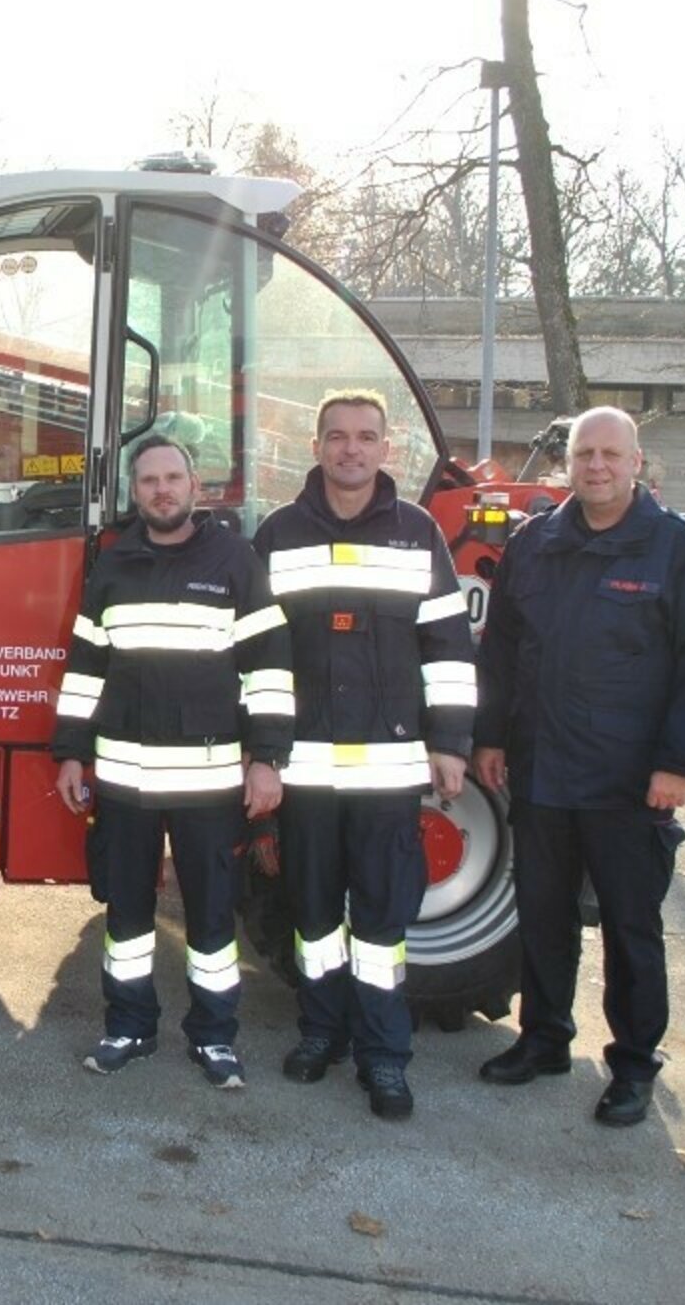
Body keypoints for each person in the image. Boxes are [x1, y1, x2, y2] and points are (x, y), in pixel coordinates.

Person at [472, 406, 685, 1127]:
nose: (597, 467)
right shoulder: (536, 542)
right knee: (543, 915)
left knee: (629, 925)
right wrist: (491, 736)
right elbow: (501, 649)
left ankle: (634, 1066)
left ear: (636, 462)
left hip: (629, 778)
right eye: (585, 453)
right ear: (569, 462)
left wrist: (678, 764)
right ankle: (544, 1040)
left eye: (611, 455)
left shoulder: (678, 549)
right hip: (543, 767)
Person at [251, 390, 478, 1121]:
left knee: (381, 925)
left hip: (388, 772)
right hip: (307, 773)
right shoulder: (280, 534)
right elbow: (257, 654)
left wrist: (449, 742)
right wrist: (263, 754)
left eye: (366, 437)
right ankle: (322, 1034)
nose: (351, 449)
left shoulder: (417, 535)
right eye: (338, 436)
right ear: (316, 446)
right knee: (312, 916)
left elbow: (447, 646)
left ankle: (384, 1056)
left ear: (389, 448)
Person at [52, 435, 293, 1088]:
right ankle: (128, 1026)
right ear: (136, 493)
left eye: (173, 478)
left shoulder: (235, 562)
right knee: (127, 918)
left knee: (212, 918)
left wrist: (268, 759)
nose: (162, 490)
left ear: (195, 488)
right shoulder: (114, 568)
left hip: (210, 787)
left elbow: (268, 670)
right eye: (150, 480)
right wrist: (71, 753)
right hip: (126, 785)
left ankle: (215, 1038)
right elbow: (85, 671)